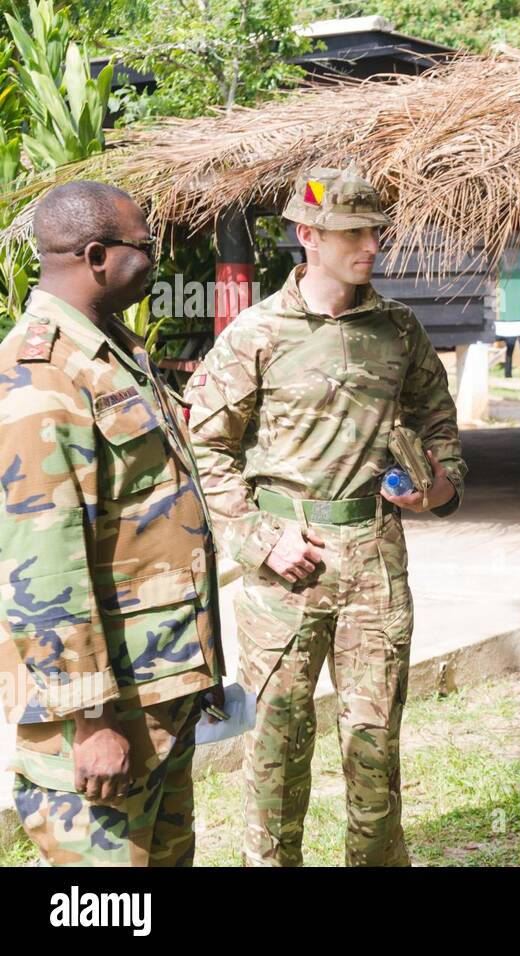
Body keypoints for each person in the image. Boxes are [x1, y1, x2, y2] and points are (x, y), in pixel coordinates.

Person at [183, 166, 466, 867]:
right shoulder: (257, 332)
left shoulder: (399, 330)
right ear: (307, 236)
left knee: (374, 746)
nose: (370, 244)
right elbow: (206, 448)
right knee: (276, 745)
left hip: (376, 559)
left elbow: (443, 436)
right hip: (288, 566)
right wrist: (259, 542)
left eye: (375, 230)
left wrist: (434, 490)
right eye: (352, 232)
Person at [0, 181, 222, 866]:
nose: (156, 262)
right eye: (145, 249)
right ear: (97, 256)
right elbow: (43, 560)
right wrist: (91, 721)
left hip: (158, 685)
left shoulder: (108, 352)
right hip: (103, 712)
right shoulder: (43, 375)